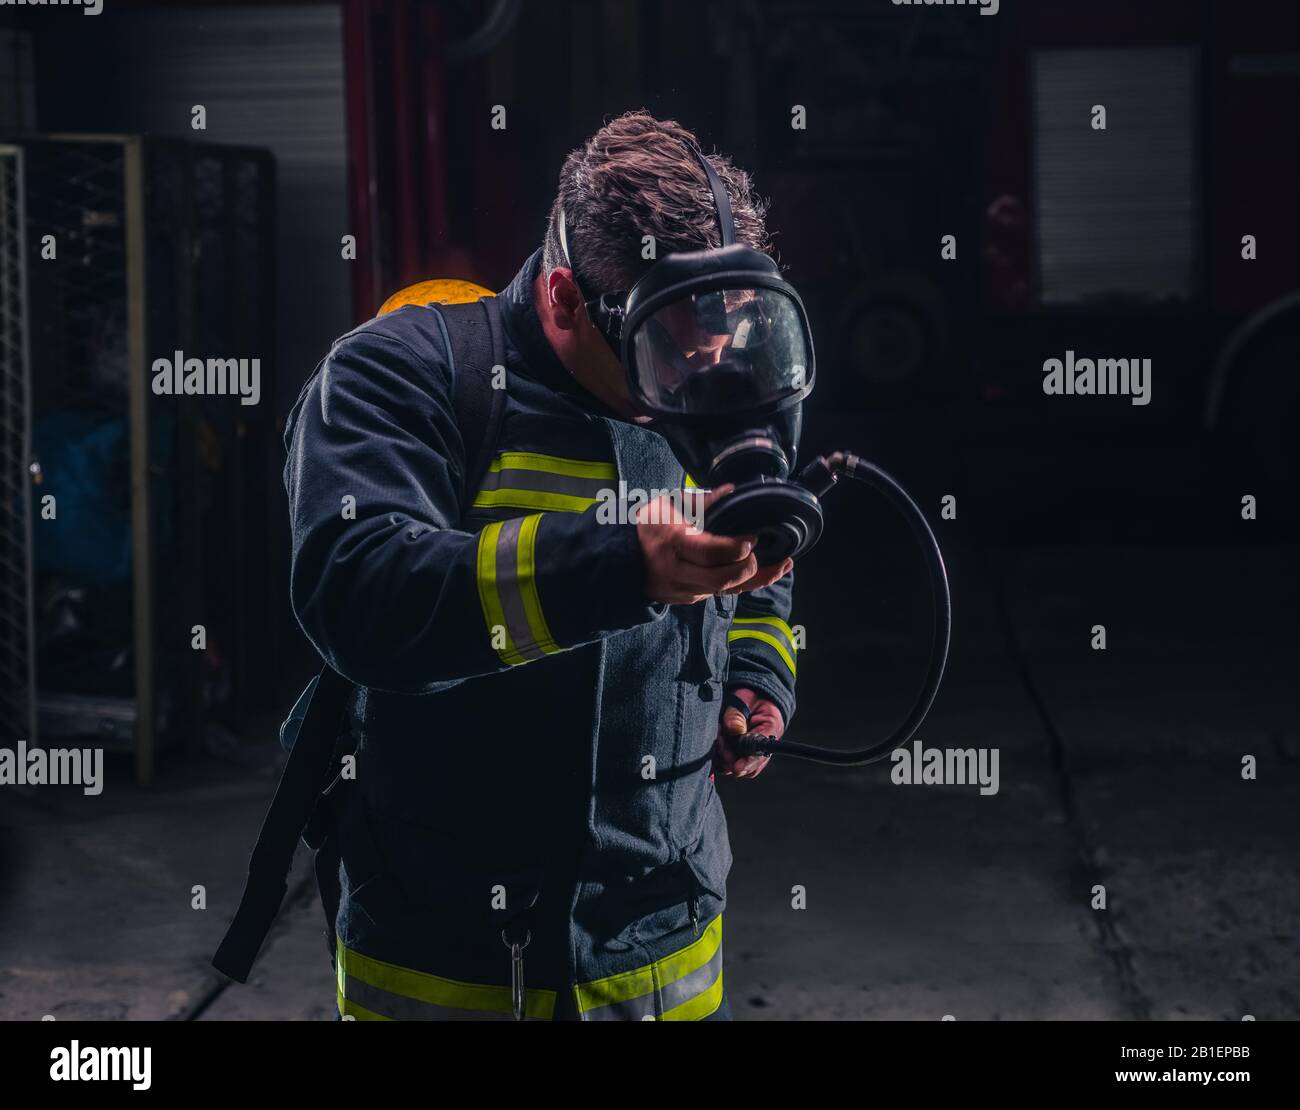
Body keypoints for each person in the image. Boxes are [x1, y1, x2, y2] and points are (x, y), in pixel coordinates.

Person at [283, 111, 800, 1021]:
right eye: (668, 342)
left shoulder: (703, 374)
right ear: (565, 296)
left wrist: (755, 672)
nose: (703, 369)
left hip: (666, 957)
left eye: (722, 330)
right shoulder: (402, 376)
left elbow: (759, 557)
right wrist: (621, 567)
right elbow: (361, 593)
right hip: (449, 971)